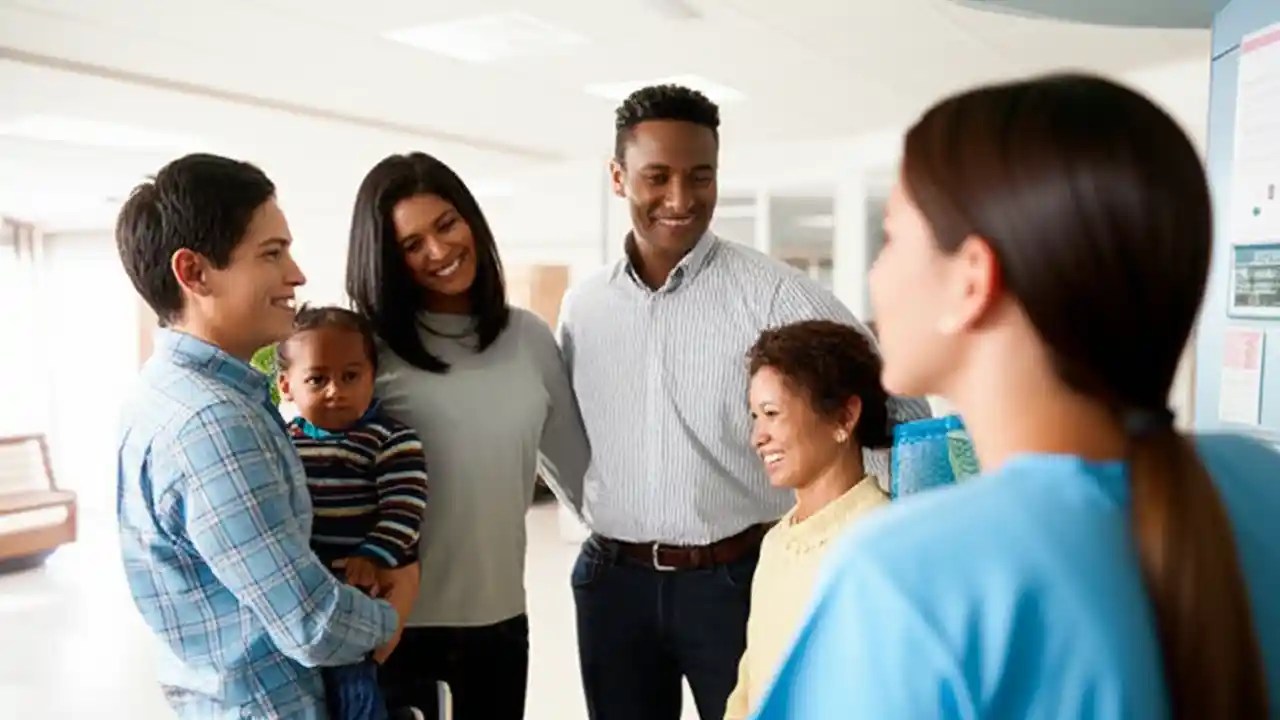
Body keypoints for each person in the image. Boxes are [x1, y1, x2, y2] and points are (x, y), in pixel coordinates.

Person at [752, 74, 1280, 719]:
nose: (875, 274)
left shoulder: (909, 574)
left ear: (972, 279)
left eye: (892, 237)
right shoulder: (1260, 482)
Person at [558, 84, 930, 720]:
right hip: (611, 582)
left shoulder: (777, 295)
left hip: (731, 581)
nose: (681, 199)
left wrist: (855, 537)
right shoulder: (583, 306)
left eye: (701, 177)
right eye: (657, 177)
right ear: (619, 178)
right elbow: (565, 436)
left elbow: (901, 413)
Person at [114, 154, 400, 719]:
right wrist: (388, 619)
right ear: (194, 273)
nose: (295, 275)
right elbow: (311, 623)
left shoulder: (167, 389)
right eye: (271, 253)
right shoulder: (214, 424)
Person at [346, 151, 590, 720]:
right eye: (411, 244)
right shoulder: (364, 351)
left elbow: (582, 476)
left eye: (447, 224)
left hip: (500, 625)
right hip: (393, 627)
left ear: (471, 222)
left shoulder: (528, 338)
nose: (439, 250)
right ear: (386, 258)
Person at [723, 320, 892, 720]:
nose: (757, 437)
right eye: (754, 417)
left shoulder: (881, 545)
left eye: (772, 413)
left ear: (844, 418)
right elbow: (750, 683)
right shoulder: (777, 541)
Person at [277, 305, 430, 720]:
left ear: (372, 376)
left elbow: (405, 509)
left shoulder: (390, 440)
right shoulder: (281, 443)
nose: (335, 391)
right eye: (317, 378)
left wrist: (373, 556)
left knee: (355, 689)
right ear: (286, 385)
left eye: (350, 376)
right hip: (307, 597)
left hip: (365, 591)